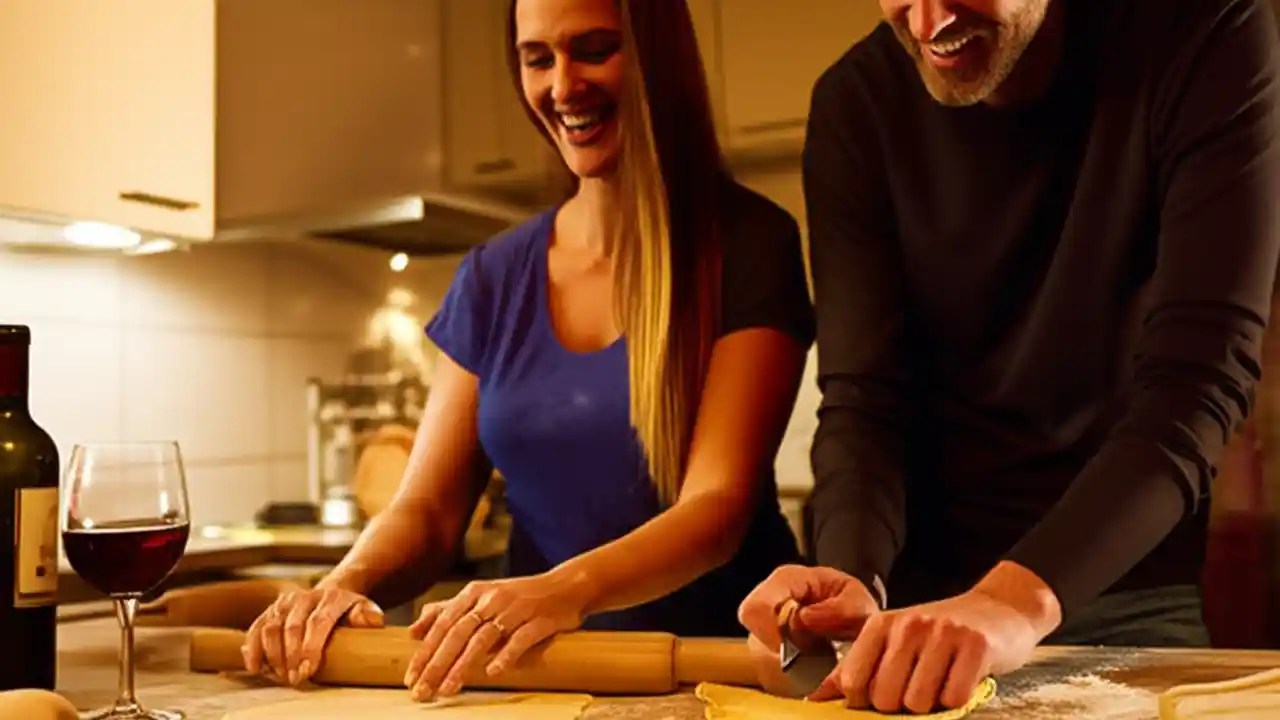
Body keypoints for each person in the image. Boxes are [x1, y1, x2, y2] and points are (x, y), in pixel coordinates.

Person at [241, 0, 816, 704]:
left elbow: (717, 506)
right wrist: (337, 588)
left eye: (594, 49)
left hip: (722, 676)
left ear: (656, 57)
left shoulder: (751, 245)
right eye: (538, 58)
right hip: (539, 684)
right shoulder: (491, 276)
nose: (562, 85)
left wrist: (559, 591)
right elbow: (425, 510)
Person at [739, 0, 1280, 714]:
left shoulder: (1209, 33)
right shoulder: (855, 103)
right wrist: (849, 578)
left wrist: (1008, 604)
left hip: (1124, 598)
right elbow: (865, 402)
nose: (928, 19)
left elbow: (1195, 388)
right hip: (915, 609)